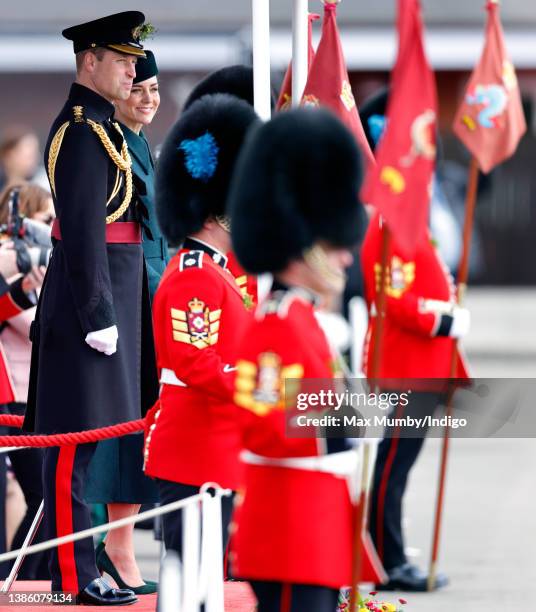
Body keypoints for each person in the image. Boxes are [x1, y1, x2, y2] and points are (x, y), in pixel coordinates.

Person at [22, 11, 159, 606]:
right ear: (90, 62)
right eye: (122, 60)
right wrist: (100, 313)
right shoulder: (81, 130)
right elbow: (82, 232)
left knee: (98, 438)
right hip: (90, 308)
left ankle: (87, 567)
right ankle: (74, 576)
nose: (132, 70)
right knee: (73, 442)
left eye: (133, 60)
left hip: (118, 296)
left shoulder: (103, 126)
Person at [227, 107, 382, 612]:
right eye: (334, 244)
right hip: (289, 535)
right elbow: (264, 423)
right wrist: (348, 424)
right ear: (304, 242)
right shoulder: (278, 323)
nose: (345, 257)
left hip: (312, 530)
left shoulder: (306, 321)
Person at [359, 89, 470, 591]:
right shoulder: (388, 223)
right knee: (393, 467)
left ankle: (390, 551)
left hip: (423, 365)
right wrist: (445, 321)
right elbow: (395, 300)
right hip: (406, 364)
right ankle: (387, 558)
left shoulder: (408, 222)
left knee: (398, 463)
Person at [143, 93, 259, 561]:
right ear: (214, 215)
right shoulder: (195, 275)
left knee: (207, 577)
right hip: (195, 447)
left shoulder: (215, 271)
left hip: (214, 444)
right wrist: (257, 385)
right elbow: (195, 360)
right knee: (190, 578)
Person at [84, 50, 165, 595]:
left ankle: (122, 543)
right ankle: (114, 545)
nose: (148, 98)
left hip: (155, 285)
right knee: (122, 425)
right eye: (139, 87)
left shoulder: (144, 148)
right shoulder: (111, 143)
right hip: (131, 291)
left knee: (143, 423)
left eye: (155, 89)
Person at [0, 182, 54, 580]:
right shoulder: (9, 255)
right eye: (45, 219)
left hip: (22, 393)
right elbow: (26, 323)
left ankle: (16, 577)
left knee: (42, 495)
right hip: (11, 393)